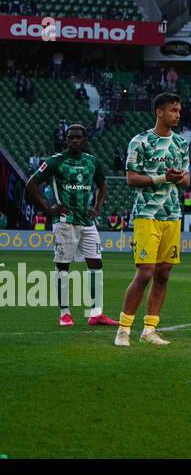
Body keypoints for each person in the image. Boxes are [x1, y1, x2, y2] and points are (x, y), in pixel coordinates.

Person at [115, 93, 191, 347]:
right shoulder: (141, 141)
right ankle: (123, 330)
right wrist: (162, 178)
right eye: (173, 110)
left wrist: (179, 177)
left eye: (179, 110)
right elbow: (131, 178)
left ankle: (150, 329)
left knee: (164, 273)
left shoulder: (181, 143)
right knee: (145, 273)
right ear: (159, 112)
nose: (178, 114)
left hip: (172, 214)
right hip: (147, 214)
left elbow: (187, 180)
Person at [25, 124, 116, 327]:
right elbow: (31, 184)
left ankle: (96, 313)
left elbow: (102, 185)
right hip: (65, 223)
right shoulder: (56, 161)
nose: (73, 140)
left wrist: (97, 206)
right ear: (66, 140)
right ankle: (65, 313)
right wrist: (48, 210)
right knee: (63, 267)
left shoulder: (92, 162)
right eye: (70, 137)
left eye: (77, 137)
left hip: (87, 222)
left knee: (96, 264)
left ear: (84, 140)